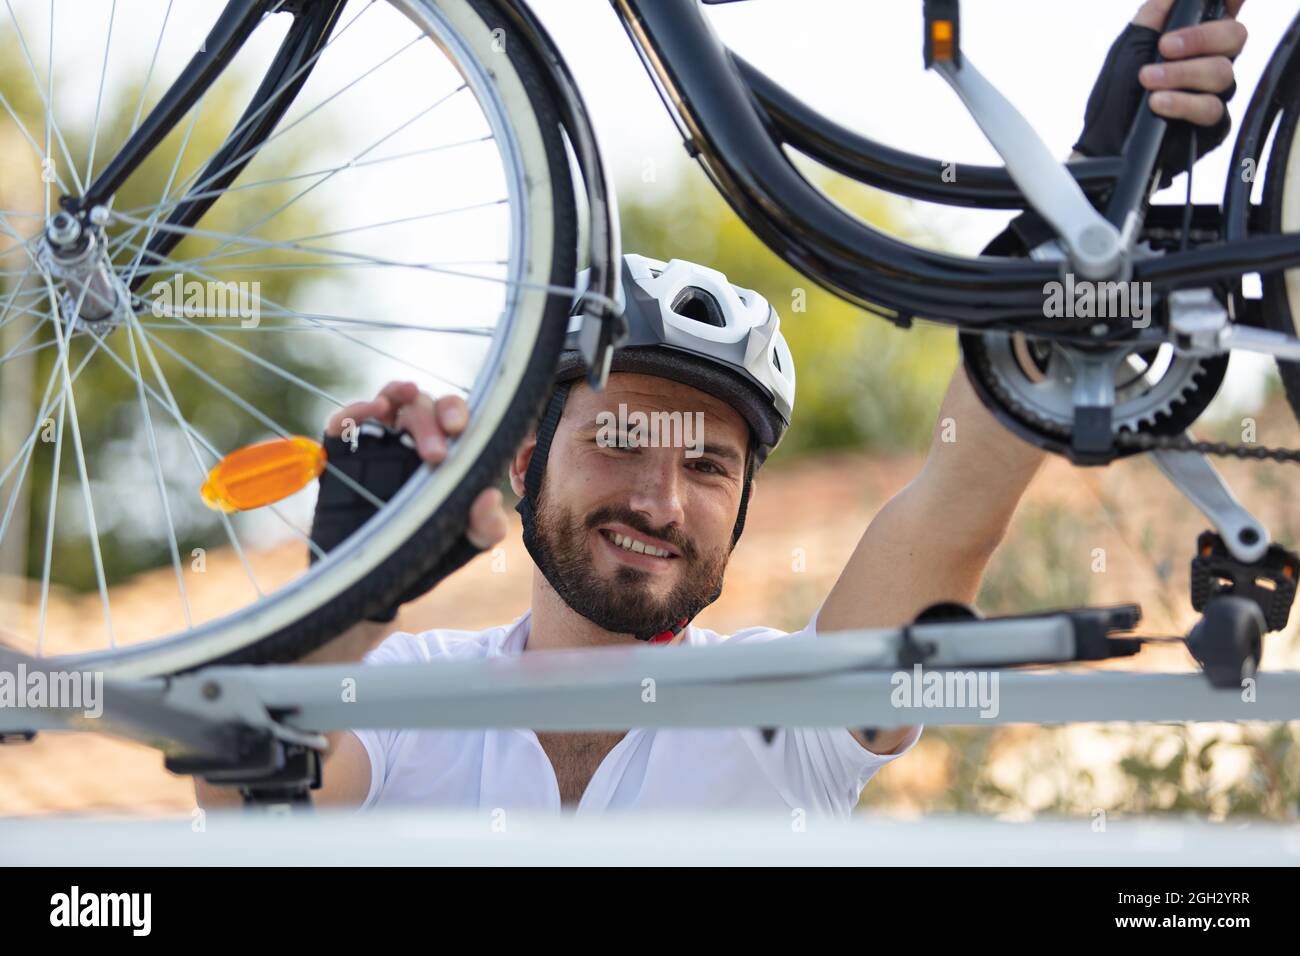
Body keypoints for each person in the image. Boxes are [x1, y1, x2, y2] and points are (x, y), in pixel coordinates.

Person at [195, 0, 1248, 814]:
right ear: (521, 465)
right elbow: (248, 793)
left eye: (709, 466)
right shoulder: (407, 695)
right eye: (622, 435)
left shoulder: (786, 711)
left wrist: (1090, 196)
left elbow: (956, 493)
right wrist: (349, 586)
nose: (661, 496)